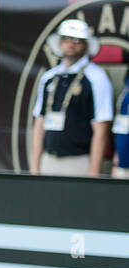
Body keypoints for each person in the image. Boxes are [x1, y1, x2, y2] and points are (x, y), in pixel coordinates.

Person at [30, 19, 112, 176]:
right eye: (66, 39)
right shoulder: (49, 77)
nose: (71, 44)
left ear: (86, 45)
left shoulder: (97, 78)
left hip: (79, 162)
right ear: (60, 43)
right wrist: (35, 166)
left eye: (77, 40)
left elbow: (101, 128)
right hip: (49, 159)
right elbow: (39, 123)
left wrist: (93, 172)